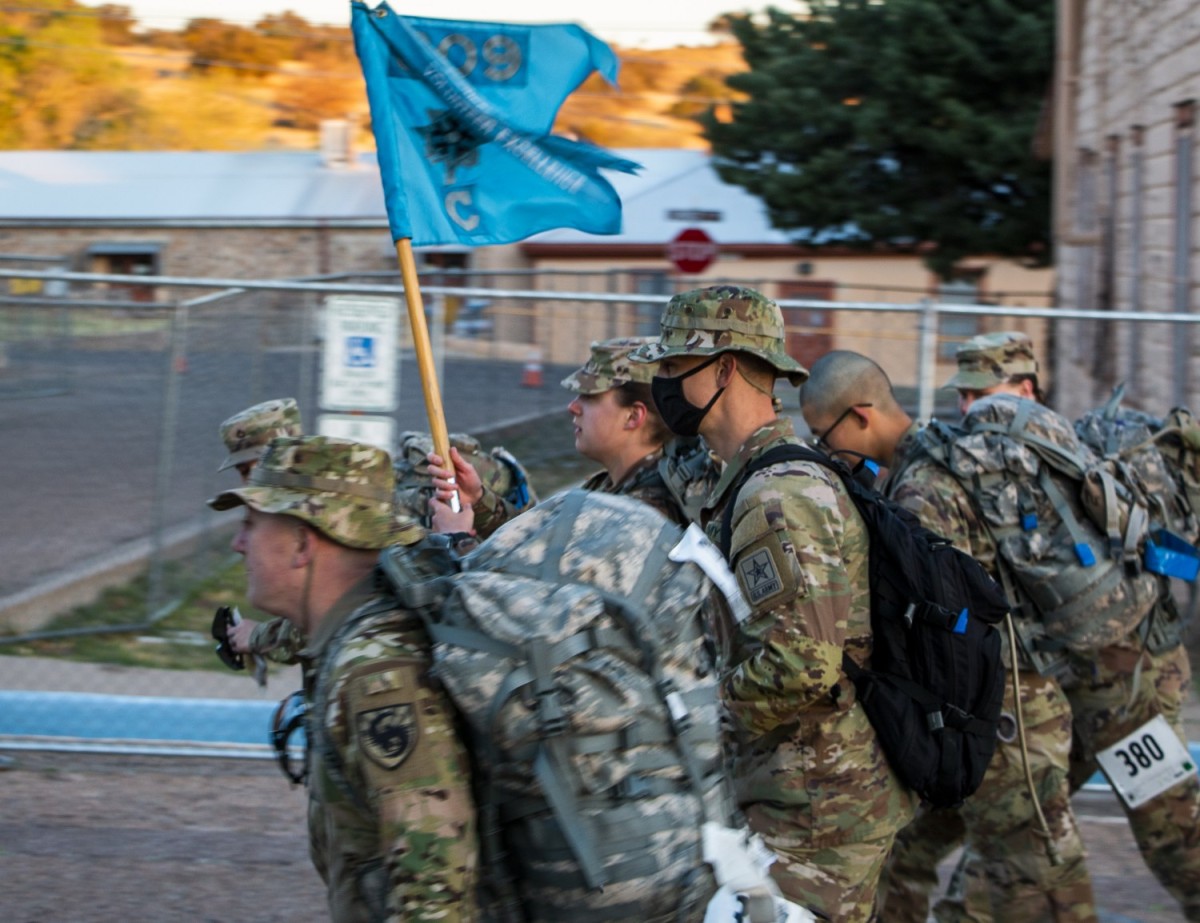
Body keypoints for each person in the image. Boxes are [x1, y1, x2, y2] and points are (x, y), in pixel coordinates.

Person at [628, 285, 918, 923]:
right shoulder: (753, 477)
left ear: (725, 367)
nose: (663, 384)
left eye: (675, 368)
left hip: (814, 809)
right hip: (796, 794)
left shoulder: (778, 494)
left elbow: (800, 664)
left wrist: (686, 716)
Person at [799, 343, 1099, 922]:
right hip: (974, 716)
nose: (823, 452)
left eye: (823, 435)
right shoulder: (928, 463)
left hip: (1007, 719)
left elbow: (947, 629)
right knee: (905, 854)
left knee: (1046, 888)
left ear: (860, 415)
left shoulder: (922, 487)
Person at [208, 434, 478, 922]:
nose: (238, 543)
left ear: (300, 544)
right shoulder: (350, 645)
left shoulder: (378, 675)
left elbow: (434, 889)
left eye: (252, 524)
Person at [427, 336, 717, 532]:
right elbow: (541, 540)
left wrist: (455, 539)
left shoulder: (642, 512)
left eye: (589, 397)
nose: (573, 407)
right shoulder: (616, 485)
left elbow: (538, 594)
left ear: (634, 416)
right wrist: (478, 500)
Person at [215, 398, 306, 665]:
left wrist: (257, 636)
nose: (245, 483)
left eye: (249, 470)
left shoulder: (314, 513)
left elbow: (330, 614)